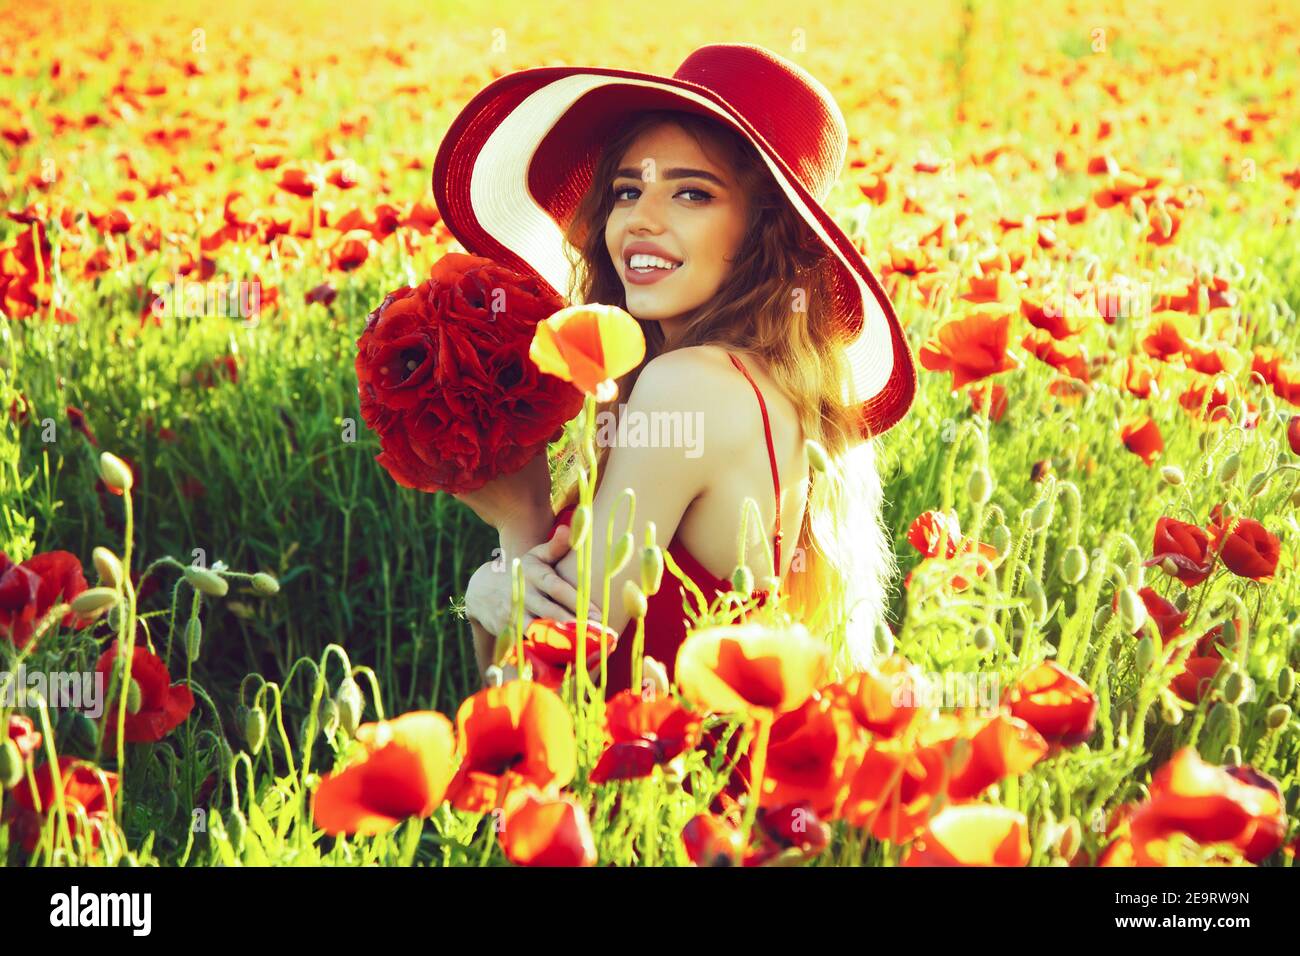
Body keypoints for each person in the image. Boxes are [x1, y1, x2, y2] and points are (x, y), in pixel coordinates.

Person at [435, 43, 917, 694]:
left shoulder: (688, 384)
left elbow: (549, 699)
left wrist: (517, 527)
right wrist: (496, 597)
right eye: (627, 189)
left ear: (763, 234)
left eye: (692, 193)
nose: (641, 219)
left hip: (677, 793)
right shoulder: (768, 384)